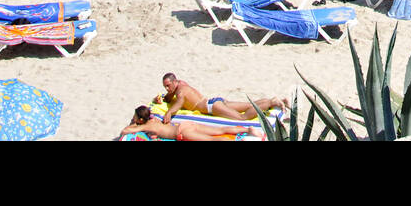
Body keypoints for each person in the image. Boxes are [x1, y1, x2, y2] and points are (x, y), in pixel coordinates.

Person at [156, 73, 287, 122]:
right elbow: (169, 97)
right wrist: (164, 97)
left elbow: (177, 105)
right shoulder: (181, 84)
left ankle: (272, 102)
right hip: (215, 101)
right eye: (165, 87)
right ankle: (273, 100)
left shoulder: (181, 93)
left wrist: (168, 113)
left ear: (174, 82)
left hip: (212, 107)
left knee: (243, 117)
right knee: (248, 105)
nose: (167, 89)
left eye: (168, 85)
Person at [121, 105, 249, 141]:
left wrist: (134, 124)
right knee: (219, 130)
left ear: (141, 120)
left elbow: (125, 131)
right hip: (186, 124)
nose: (133, 119)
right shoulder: (154, 119)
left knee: (212, 140)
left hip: (182, 132)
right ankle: (249, 130)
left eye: (135, 117)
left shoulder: (146, 125)